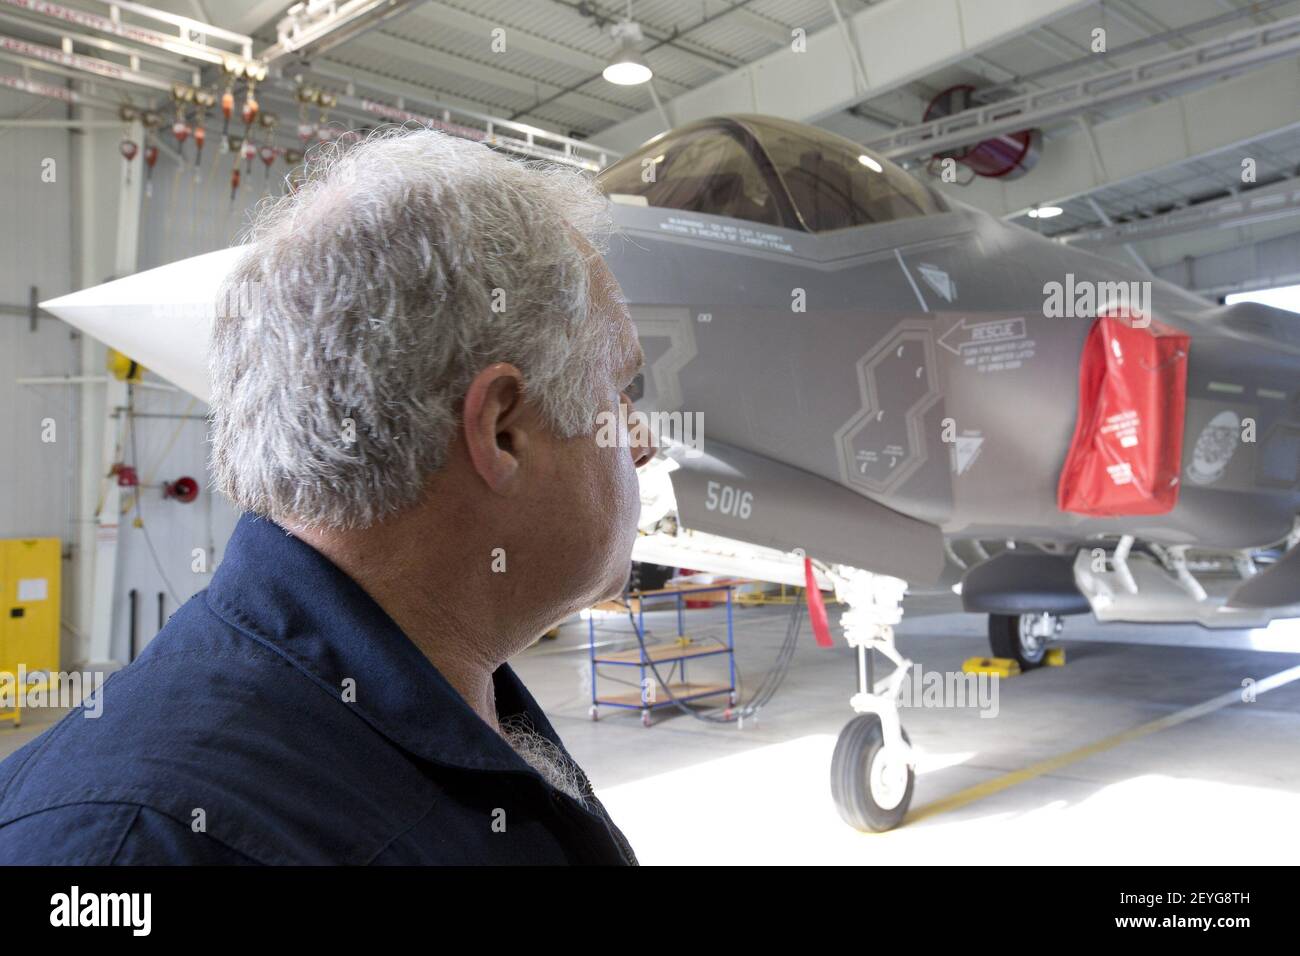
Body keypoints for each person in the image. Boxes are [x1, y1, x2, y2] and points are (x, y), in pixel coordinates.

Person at [0, 128, 655, 864]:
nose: (643, 440)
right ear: (501, 430)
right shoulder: (133, 851)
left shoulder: (457, 694)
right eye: (620, 392)